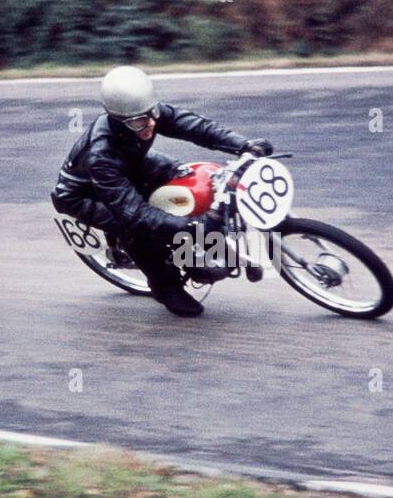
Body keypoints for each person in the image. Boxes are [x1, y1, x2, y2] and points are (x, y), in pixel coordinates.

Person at [50, 66, 272, 317]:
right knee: (136, 229)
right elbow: (135, 215)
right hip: (83, 195)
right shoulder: (101, 155)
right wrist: (193, 227)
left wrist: (243, 145)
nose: (151, 123)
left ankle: (211, 247)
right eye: (139, 121)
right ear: (118, 119)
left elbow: (194, 126)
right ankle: (164, 286)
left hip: (130, 164)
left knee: (186, 176)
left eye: (152, 113)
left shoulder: (142, 114)